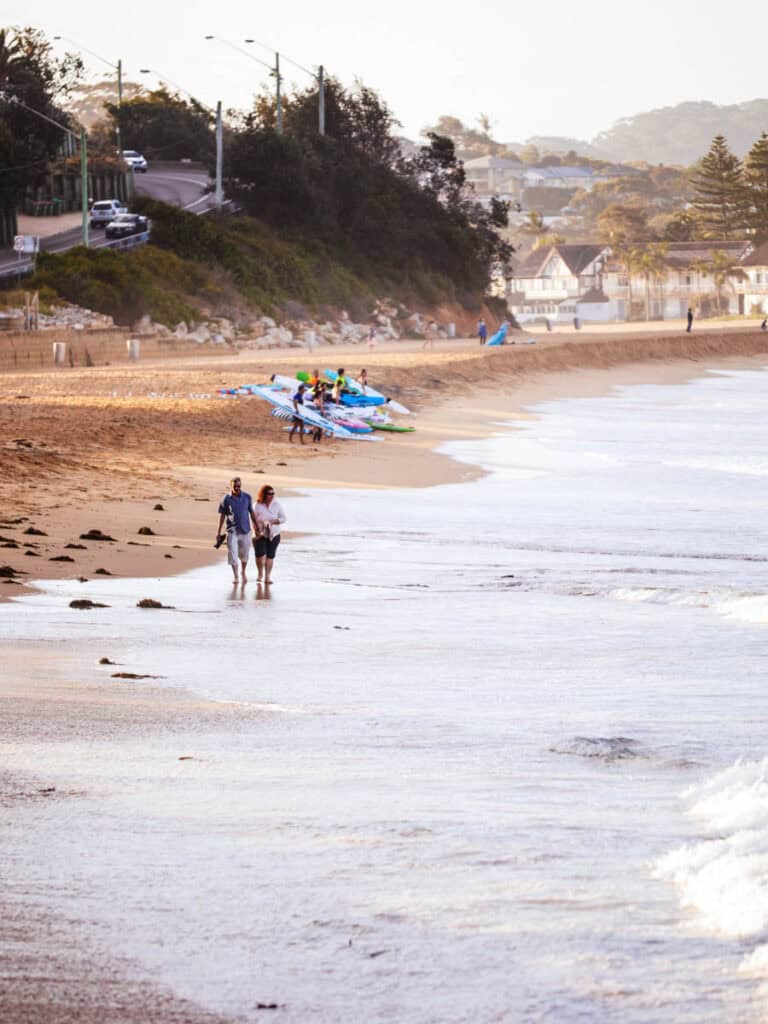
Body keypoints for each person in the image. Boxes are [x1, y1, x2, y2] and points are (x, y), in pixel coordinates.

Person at [216, 476, 258, 583]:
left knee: (244, 555)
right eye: (235, 486)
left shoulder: (247, 497)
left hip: (245, 530)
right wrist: (218, 531)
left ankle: (243, 572)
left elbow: (251, 512)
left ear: (241, 486)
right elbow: (222, 515)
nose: (237, 487)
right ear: (231, 486)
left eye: (238, 486)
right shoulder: (226, 499)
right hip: (231, 531)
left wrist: (257, 525)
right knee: (233, 554)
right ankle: (236, 576)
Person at [254, 484, 287, 584]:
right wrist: (257, 531)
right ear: (263, 494)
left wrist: (272, 522)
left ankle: (267, 577)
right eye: (269, 494)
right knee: (260, 555)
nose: (272, 496)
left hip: (274, 533)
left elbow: (283, 518)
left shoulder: (277, 504)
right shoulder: (257, 505)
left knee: (270, 556)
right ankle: (260, 573)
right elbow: (252, 519)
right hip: (260, 533)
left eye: (273, 493)